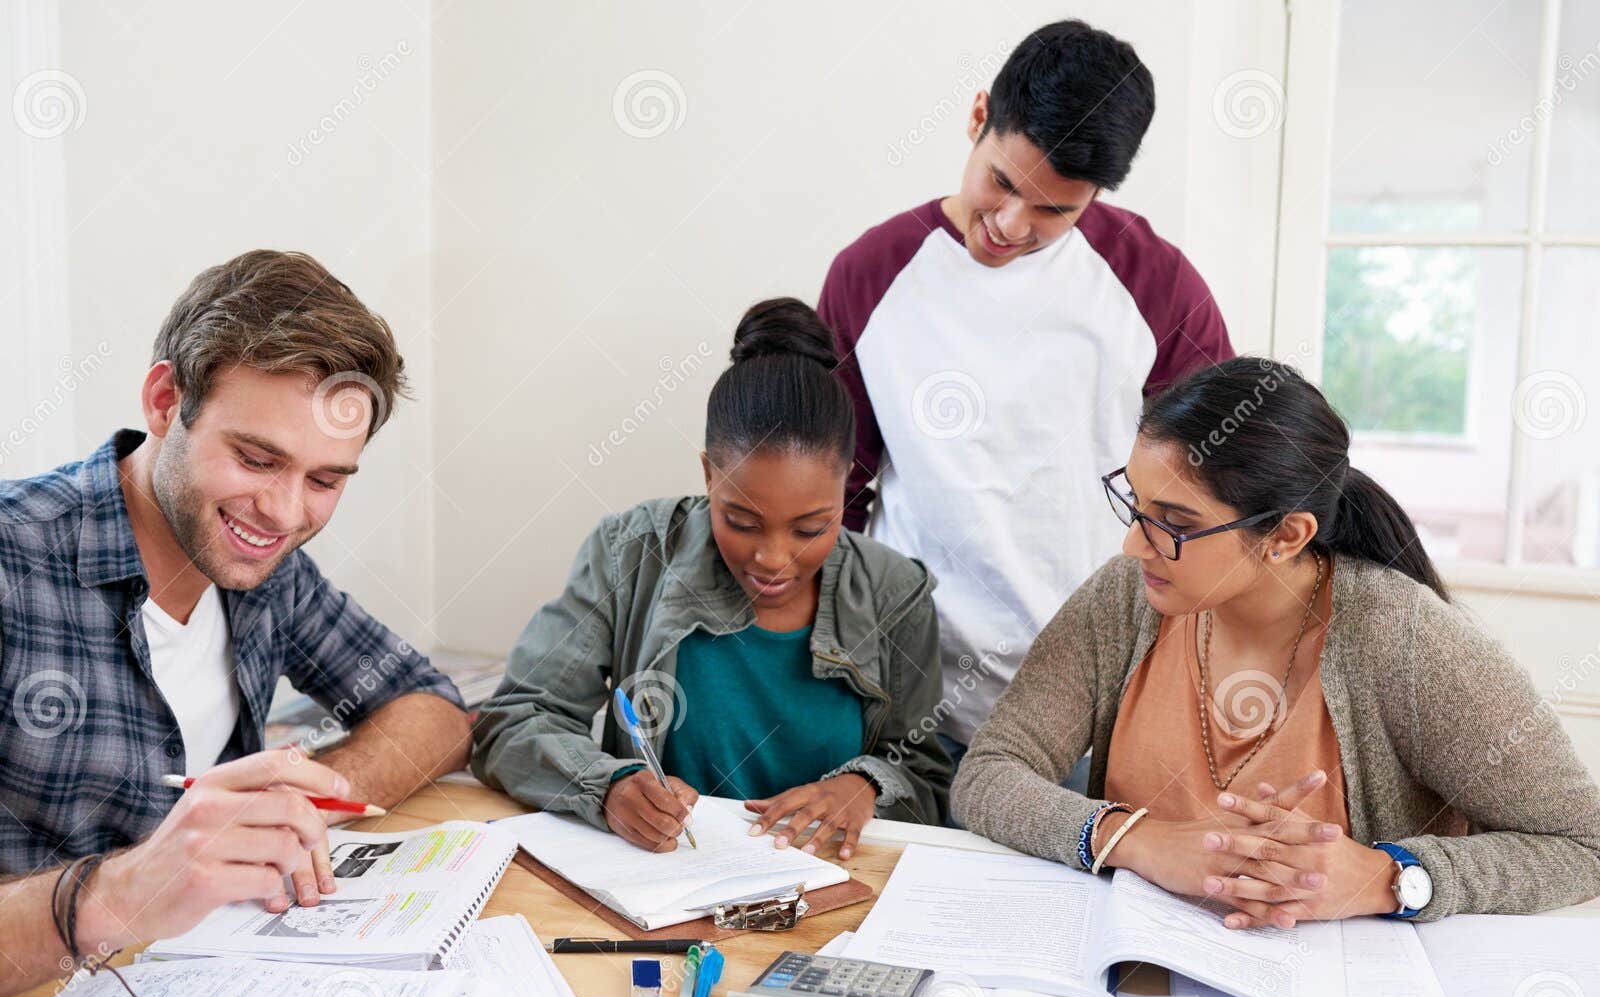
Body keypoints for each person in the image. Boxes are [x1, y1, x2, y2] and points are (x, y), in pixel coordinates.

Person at [953, 357, 1600, 925]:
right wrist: (1138, 840)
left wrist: (1388, 878)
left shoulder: (1405, 640)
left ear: (1286, 536)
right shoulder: (1126, 597)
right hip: (1135, 988)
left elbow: (1585, 842)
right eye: (1135, 504)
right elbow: (987, 775)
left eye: (1174, 525)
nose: (1132, 545)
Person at [0, 250, 470, 997]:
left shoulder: (265, 569)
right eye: (256, 459)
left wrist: (304, 802)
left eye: (323, 481)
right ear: (164, 401)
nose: (284, 514)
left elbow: (435, 709)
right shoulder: (14, 560)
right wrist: (118, 895)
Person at [820, 19, 1234, 762]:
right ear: (978, 117)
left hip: (1099, 707)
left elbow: (1217, 499)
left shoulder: (1157, 287)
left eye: (1053, 211)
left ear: (1095, 195)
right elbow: (835, 495)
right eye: (1002, 183)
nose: (1011, 225)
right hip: (903, 706)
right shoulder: (870, 274)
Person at [473, 299, 952, 857]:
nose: (773, 559)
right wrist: (606, 787)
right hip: (669, 881)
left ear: (848, 482)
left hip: (830, 890)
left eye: (810, 529)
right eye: (742, 521)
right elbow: (513, 720)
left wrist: (864, 786)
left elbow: (925, 770)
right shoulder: (633, 554)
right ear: (708, 474)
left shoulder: (896, 593)